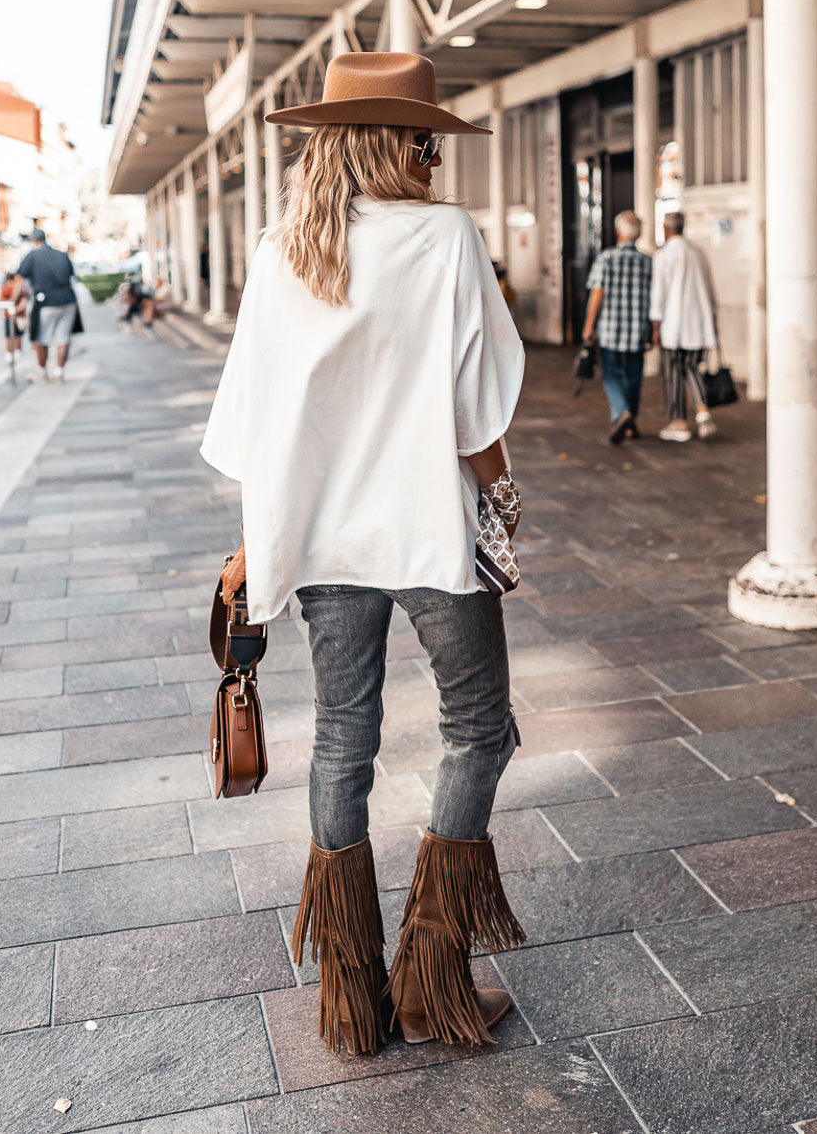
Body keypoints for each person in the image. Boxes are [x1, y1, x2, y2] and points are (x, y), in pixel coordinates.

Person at [201, 52, 527, 1057]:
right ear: (403, 141)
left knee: (345, 737)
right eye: (429, 140)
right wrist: (504, 494)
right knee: (479, 725)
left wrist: (262, 541)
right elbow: (476, 405)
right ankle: (432, 976)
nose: (435, 158)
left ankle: (350, 998)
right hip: (428, 527)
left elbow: (252, 423)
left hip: (324, 536)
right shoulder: (443, 239)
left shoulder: (278, 248)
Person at [581, 210, 652, 444]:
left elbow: (597, 295)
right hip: (637, 331)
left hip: (611, 331)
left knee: (611, 376)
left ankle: (622, 413)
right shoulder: (647, 262)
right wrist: (653, 331)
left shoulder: (606, 258)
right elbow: (654, 299)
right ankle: (630, 424)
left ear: (618, 231)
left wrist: (589, 326)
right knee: (634, 377)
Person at [650, 209, 719, 441]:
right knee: (691, 367)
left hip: (673, 326)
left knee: (673, 373)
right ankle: (701, 409)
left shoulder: (664, 256)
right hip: (699, 324)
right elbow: (710, 292)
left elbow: (658, 294)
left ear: (666, 228)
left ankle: (679, 422)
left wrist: (655, 326)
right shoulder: (699, 253)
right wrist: (714, 322)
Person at [16, 228, 79, 383]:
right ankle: (59, 372)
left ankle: (42, 371)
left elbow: (19, 280)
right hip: (68, 300)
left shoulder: (32, 256)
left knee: (41, 338)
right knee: (63, 338)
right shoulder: (61, 254)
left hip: (46, 301)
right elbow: (71, 277)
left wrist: (15, 300)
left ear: (33, 241)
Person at [0, 270, 27, 363]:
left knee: (9, 336)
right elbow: (24, 300)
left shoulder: (6, 288)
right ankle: (17, 351)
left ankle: (9, 354)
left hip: (9, 315)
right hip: (16, 315)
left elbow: (2, 302)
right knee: (17, 336)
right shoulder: (15, 287)